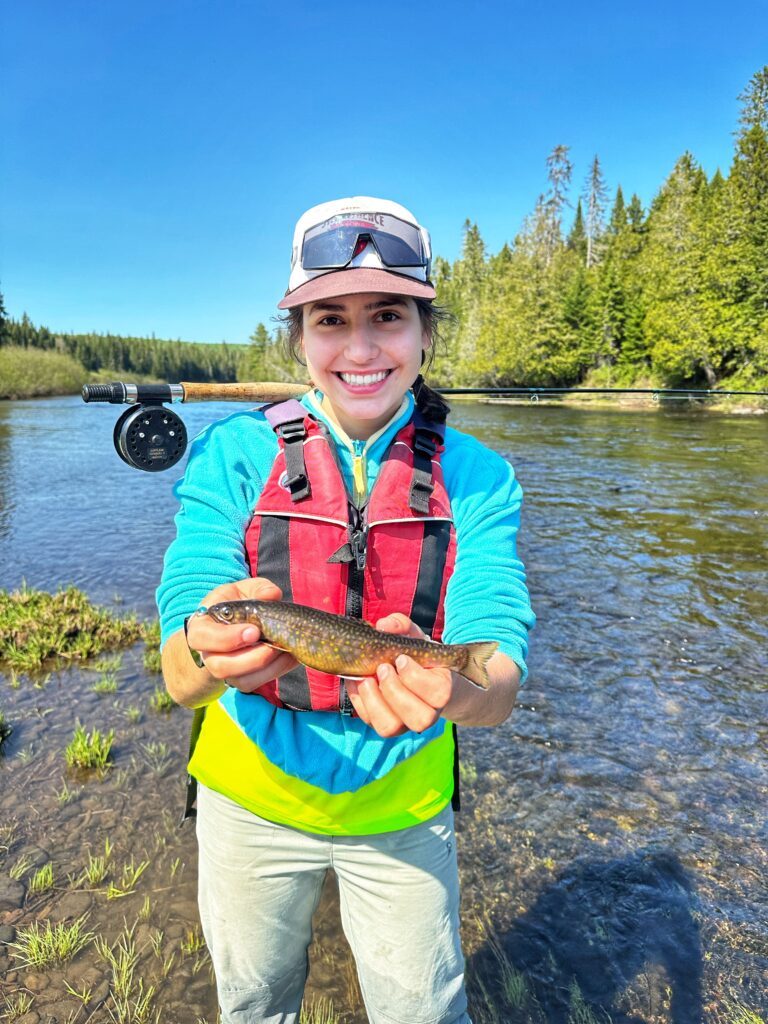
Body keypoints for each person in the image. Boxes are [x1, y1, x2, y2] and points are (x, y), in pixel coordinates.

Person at [157, 196, 535, 1024]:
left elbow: (499, 668)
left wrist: (457, 691)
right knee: (254, 1006)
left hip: (404, 804)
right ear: (297, 337)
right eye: (330, 318)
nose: (360, 349)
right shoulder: (234, 454)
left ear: (427, 332)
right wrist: (201, 645)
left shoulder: (479, 478)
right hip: (248, 796)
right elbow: (182, 650)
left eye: (389, 316)